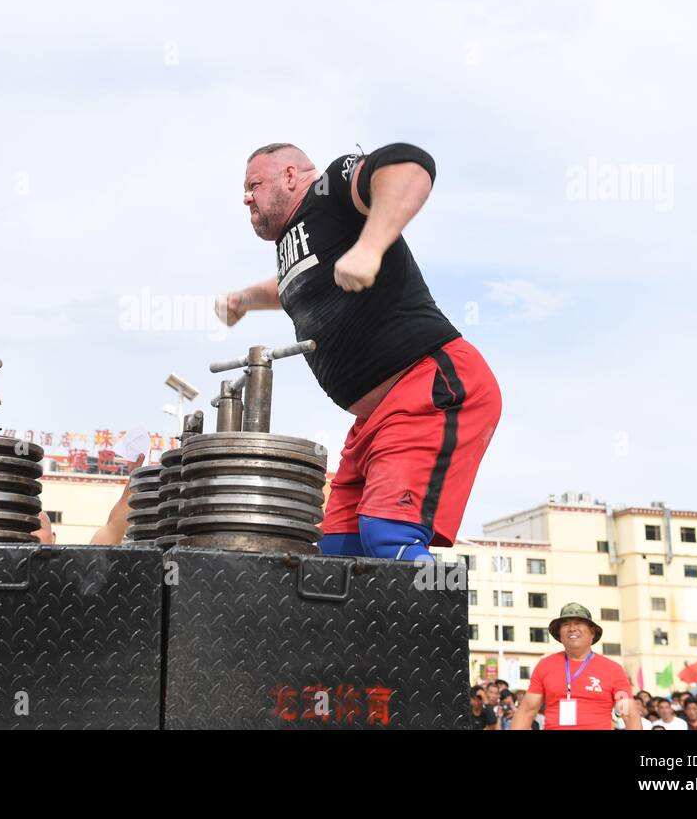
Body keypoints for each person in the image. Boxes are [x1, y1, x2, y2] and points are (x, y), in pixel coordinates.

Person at [216, 143, 500, 560]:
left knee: (389, 536)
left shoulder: (331, 189)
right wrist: (242, 299)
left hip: (431, 386)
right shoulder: (298, 245)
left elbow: (411, 165)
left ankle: (443, 624)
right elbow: (285, 286)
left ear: (291, 175)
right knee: (337, 552)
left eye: (253, 185)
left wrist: (370, 247)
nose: (246, 197)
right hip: (374, 421)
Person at [511, 603, 639, 730]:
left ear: (592, 632)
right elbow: (526, 711)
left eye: (578, 623)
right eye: (566, 624)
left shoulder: (613, 670)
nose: (572, 628)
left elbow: (628, 714)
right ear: (559, 634)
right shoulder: (545, 665)